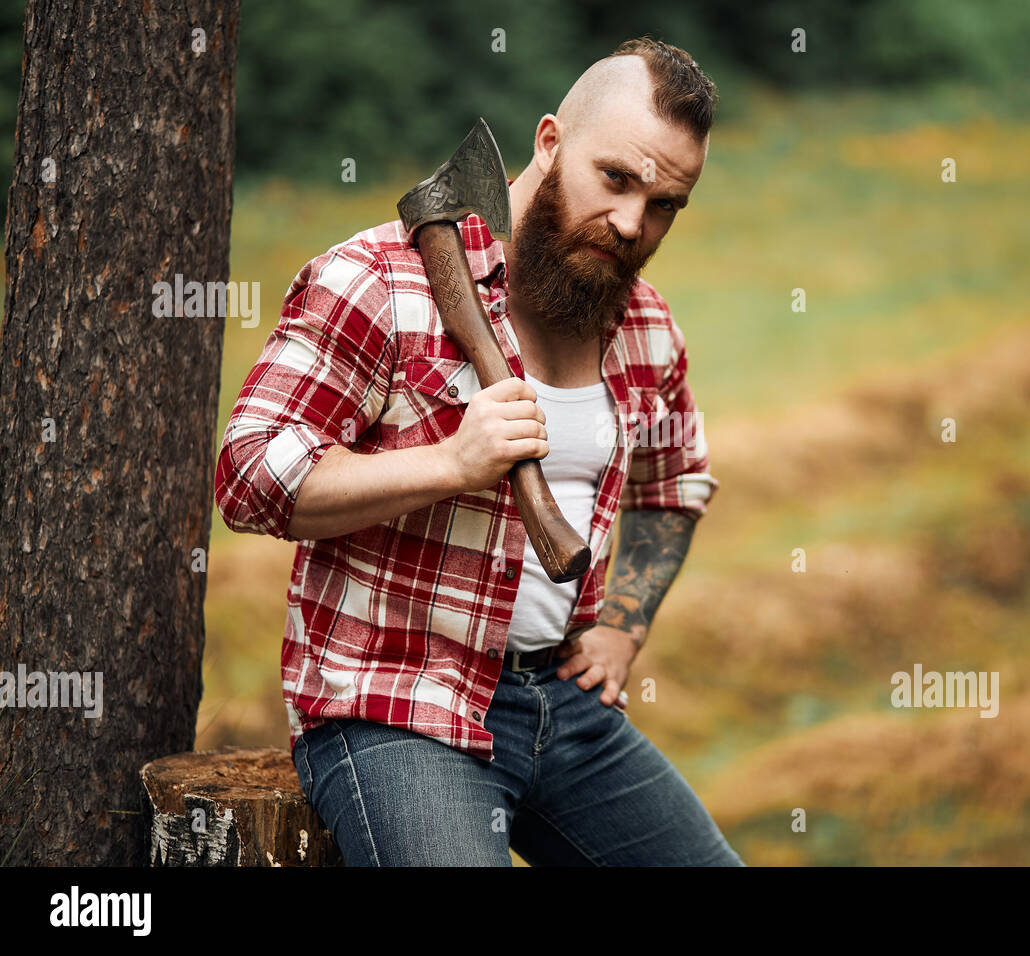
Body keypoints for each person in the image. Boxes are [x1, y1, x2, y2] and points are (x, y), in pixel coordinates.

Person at [214, 37, 743, 866]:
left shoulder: (645, 325)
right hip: (396, 708)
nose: (635, 223)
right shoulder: (379, 281)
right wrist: (452, 464)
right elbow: (248, 474)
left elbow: (676, 482)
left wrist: (622, 631)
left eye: (667, 203)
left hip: (562, 708)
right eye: (617, 179)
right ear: (548, 142)